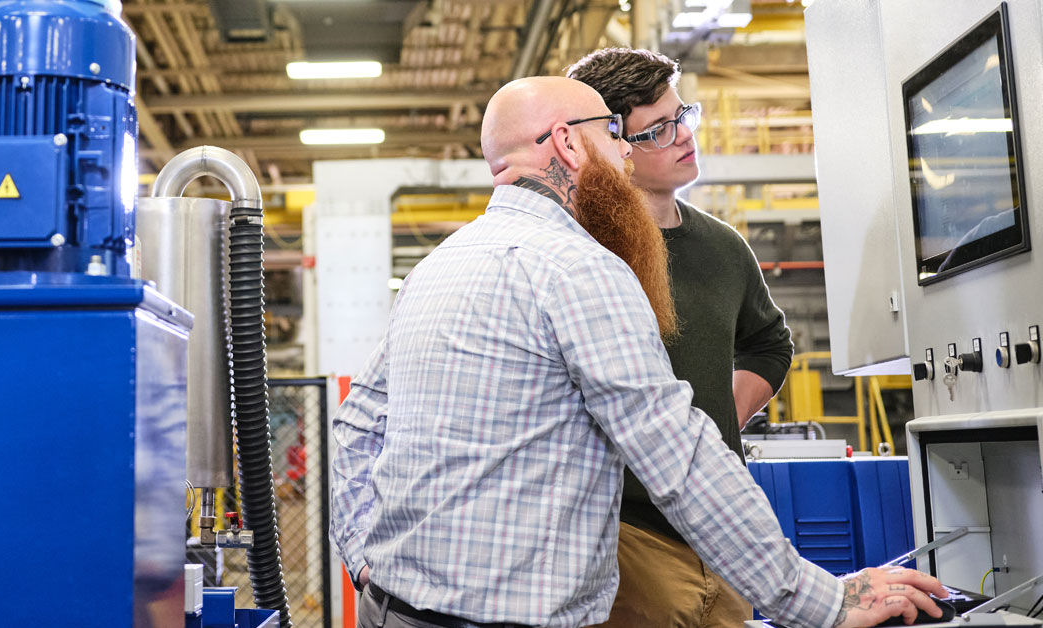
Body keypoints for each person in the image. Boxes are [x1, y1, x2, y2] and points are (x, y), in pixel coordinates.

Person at [330, 75, 946, 628]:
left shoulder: (437, 266)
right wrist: (824, 603)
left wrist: (361, 557)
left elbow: (357, 423)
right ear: (567, 143)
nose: (625, 152)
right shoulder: (578, 269)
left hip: (392, 607)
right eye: (612, 133)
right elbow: (678, 457)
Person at [568, 46, 794, 626]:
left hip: (721, 526)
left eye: (682, 115)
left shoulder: (722, 246)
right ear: (611, 147)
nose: (685, 136)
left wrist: (713, 424)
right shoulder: (582, 257)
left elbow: (769, 344)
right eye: (658, 131)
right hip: (626, 532)